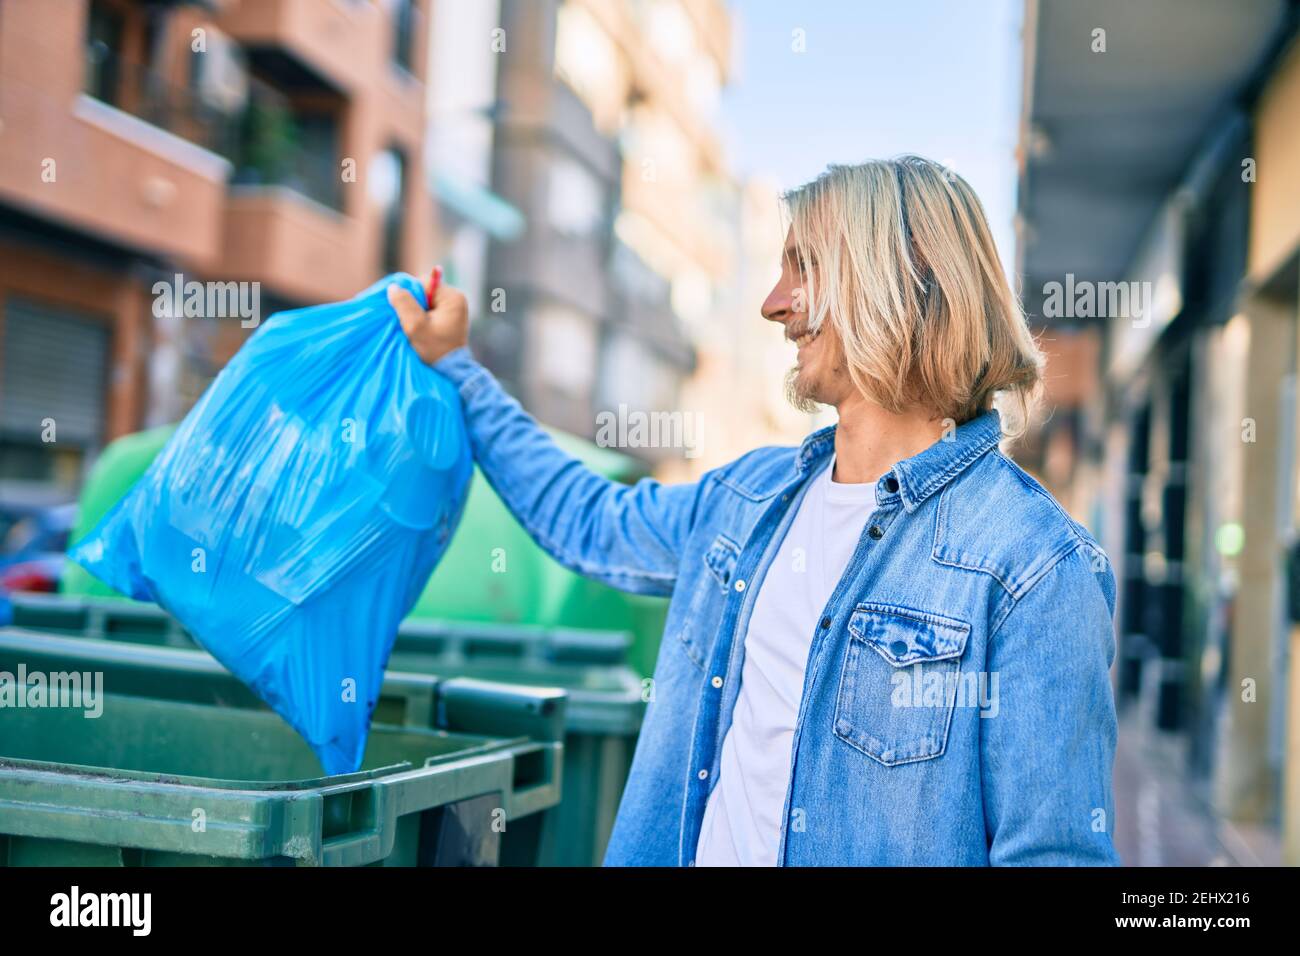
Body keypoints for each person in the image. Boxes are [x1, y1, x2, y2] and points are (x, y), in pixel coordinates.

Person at [387, 155, 1120, 866]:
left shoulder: (1035, 567)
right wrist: (457, 367)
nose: (774, 303)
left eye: (804, 266)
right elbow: (588, 519)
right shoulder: (747, 500)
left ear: (906, 276)